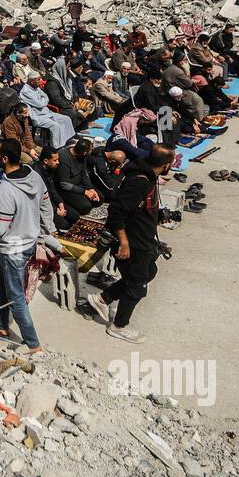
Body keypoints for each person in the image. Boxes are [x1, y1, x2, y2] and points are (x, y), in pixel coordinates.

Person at [0, 138, 58, 352]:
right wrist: (50, 228)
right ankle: (1, 325)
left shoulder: (6, 190)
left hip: (14, 248)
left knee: (16, 297)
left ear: (6, 158)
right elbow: (46, 205)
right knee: (0, 276)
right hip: (30, 240)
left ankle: (33, 344)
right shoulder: (34, 176)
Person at [85, 144, 175, 344]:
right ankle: (118, 326)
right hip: (133, 243)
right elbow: (116, 211)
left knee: (148, 272)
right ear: (166, 164)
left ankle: (103, 299)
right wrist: (124, 242)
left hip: (144, 238)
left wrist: (156, 217)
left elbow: (139, 207)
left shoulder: (147, 175)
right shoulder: (139, 181)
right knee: (137, 287)